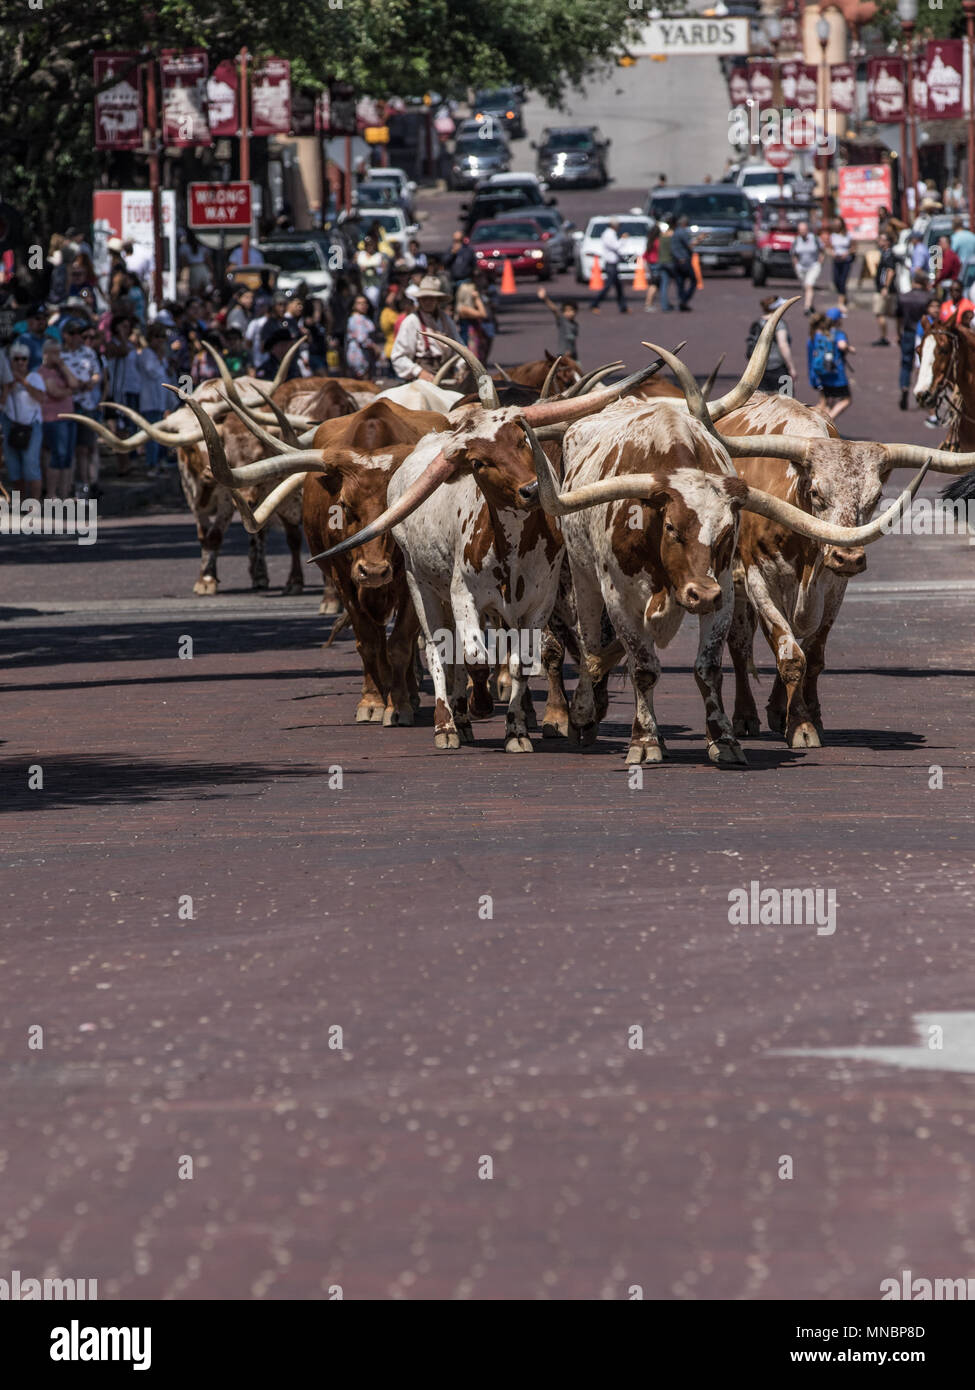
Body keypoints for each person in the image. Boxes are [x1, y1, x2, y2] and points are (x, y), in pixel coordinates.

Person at [62, 321, 104, 498]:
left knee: (85, 448)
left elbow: (97, 374)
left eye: (80, 333)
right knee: (66, 449)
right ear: (66, 335)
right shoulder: (60, 354)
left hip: (86, 405)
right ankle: (67, 487)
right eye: (74, 333)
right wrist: (72, 385)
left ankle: (85, 488)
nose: (78, 337)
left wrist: (91, 382)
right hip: (65, 406)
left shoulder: (88, 352)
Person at [391, 275, 459, 381]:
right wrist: (419, 372)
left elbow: (459, 347)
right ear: (419, 300)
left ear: (438, 300)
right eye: (424, 298)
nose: (427, 302)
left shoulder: (446, 320)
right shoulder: (411, 321)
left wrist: (461, 366)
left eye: (431, 298)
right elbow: (398, 357)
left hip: (447, 373)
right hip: (422, 377)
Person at [1, 343, 46, 501]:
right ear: (10, 361)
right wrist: (8, 386)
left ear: (28, 360)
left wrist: (24, 382)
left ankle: (33, 504)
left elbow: (41, 398)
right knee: (13, 467)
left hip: (31, 426)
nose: (20, 362)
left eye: (23, 359)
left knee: (30, 465)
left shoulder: (35, 377)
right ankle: (20, 502)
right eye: (16, 359)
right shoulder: (5, 380)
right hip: (10, 425)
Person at [37, 338, 80, 498]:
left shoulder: (61, 370)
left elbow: (74, 384)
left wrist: (63, 366)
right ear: (46, 354)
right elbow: (55, 393)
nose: (57, 356)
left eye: (59, 352)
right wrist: (70, 391)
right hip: (53, 419)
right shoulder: (41, 372)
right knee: (57, 455)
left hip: (69, 417)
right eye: (54, 353)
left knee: (68, 456)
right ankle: (51, 493)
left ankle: (65, 493)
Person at [808, 308, 854, 422]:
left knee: (824, 402)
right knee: (846, 399)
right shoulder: (838, 334)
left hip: (821, 372)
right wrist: (850, 349)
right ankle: (827, 422)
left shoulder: (818, 334)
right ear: (838, 320)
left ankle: (811, 420)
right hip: (836, 374)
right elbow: (842, 346)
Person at [137, 324, 171, 476]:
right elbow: (153, 372)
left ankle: (161, 462)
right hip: (149, 400)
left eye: (162, 337)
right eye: (156, 337)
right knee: (152, 434)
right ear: (150, 339)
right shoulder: (146, 353)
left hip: (161, 401)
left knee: (162, 433)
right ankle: (152, 464)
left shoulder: (161, 355)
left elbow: (166, 374)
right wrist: (160, 358)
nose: (159, 341)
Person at [896, 271, 932, 411]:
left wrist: (898, 333)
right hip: (923, 333)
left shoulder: (904, 297)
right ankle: (920, 393)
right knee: (922, 365)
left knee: (906, 363)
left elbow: (898, 317)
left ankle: (904, 387)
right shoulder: (928, 297)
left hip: (907, 332)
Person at [746, 295, 797, 394]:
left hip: (760, 369)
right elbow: (783, 345)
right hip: (778, 368)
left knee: (762, 401)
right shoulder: (779, 324)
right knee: (787, 402)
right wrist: (791, 368)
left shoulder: (758, 322)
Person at [591, 219, 628, 314]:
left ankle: (623, 307)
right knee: (607, 286)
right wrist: (623, 239)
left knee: (619, 287)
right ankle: (594, 304)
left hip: (613, 263)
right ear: (614, 226)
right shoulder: (609, 234)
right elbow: (616, 246)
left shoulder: (610, 234)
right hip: (610, 264)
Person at [791, 220, 824, 315]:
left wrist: (819, 263)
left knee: (809, 285)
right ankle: (810, 304)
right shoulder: (796, 240)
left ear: (807, 230)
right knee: (806, 287)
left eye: (804, 230)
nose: (802, 232)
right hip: (801, 267)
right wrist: (796, 265)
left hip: (813, 266)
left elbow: (822, 251)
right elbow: (793, 254)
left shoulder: (814, 238)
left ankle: (807, 307)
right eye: (800, 230)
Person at [454, 274, 490, 359]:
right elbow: (483, 314)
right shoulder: (463, 309)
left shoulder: (468, 307)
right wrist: (477, 298)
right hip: (469, 339)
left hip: (474, 337)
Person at [671, 215, 703, 312]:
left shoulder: (675, 232)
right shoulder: (682, 232)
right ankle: (684, 300)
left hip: (676, 261)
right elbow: (690, 245)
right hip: (684, 261)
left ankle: (682, 302)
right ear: (684, 223)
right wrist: (700, 238)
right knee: (694, 280)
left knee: (680, 282)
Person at [537, 287, 579, 362]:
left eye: (571, 310)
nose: (569, 313)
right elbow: (555, 310)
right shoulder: (562, 321)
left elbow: (572, 341)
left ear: (576, 311)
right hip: (562, 355)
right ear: (563, 312)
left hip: (573, 356)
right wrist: (545, 298)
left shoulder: (575, 325)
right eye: (566, 311)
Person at [872, 233, 897, 346]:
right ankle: (897, 335)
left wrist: (885, 287)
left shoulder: (889, 255)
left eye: (881, 239)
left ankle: (884, 337)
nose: (879, 241)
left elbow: (891, 271)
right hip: (885, 288)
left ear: (887, 242)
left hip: (884, 289)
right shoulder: (884, 254)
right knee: (892, 313)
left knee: (879, 312)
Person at [14, 304, 52, 369]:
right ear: (28, 320)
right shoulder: (22, 340)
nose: (42, 321)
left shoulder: (51, 340)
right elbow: (16, 369)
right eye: (38, 318)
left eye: (44, 318)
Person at [356, 235, 387, 312]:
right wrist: (360, 269)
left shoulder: (379, 256)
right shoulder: (360, 255)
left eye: (371, 245)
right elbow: (354, 266)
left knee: (372, 302)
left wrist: (375, 270)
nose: (369, 247)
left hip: (374, 284)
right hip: (362, 283)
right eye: (367, 245)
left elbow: (383, 269)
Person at [828, 217, 854, 310]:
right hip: (836, 260)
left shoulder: (848, 235)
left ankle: (840, 303)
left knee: (842, 281)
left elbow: (853, 247)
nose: (837, 226)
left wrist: (846, 253)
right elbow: (830, 247)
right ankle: (844, 297)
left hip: (846, 260)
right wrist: (832, 253)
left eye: (838, 224)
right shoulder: (833, 235)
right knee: (836, 281)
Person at [656, 222, 674, 312]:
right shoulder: (669, 239)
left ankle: (665, 305)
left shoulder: (660, 238)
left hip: (661, 262)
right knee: (678, 281)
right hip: (669, 263)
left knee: (664, 284)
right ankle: (681, 301)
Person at [642, 224, 660, 312]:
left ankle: (650, 303)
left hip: (651, 264)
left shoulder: (650, 241)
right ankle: (648, 304)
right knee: (654, 285)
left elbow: (645, 256)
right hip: (656, 264)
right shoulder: (657, 242)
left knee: (654, 284)